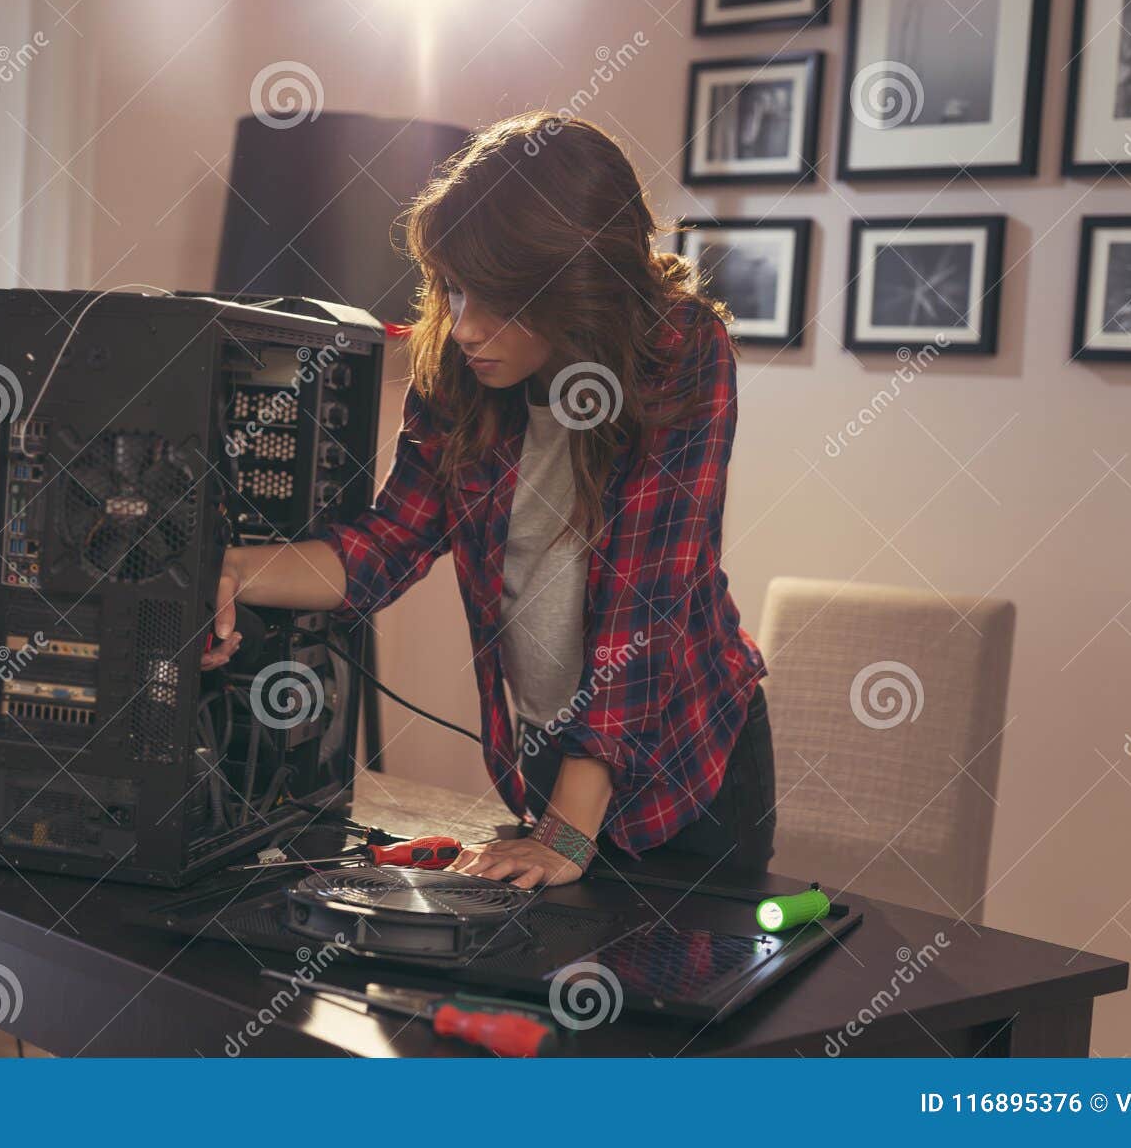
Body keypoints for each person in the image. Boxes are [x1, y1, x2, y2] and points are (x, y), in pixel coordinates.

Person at [201, 112, 774, 889]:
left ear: (574, 283)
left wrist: (567, 836)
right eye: (454, 289)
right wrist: (227, 570)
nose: (464, 326)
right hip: (543, 763)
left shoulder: (681, 351)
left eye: (495, 296)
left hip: (690, 778)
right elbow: (388, 541)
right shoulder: (460, 368)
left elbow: (647, 601)